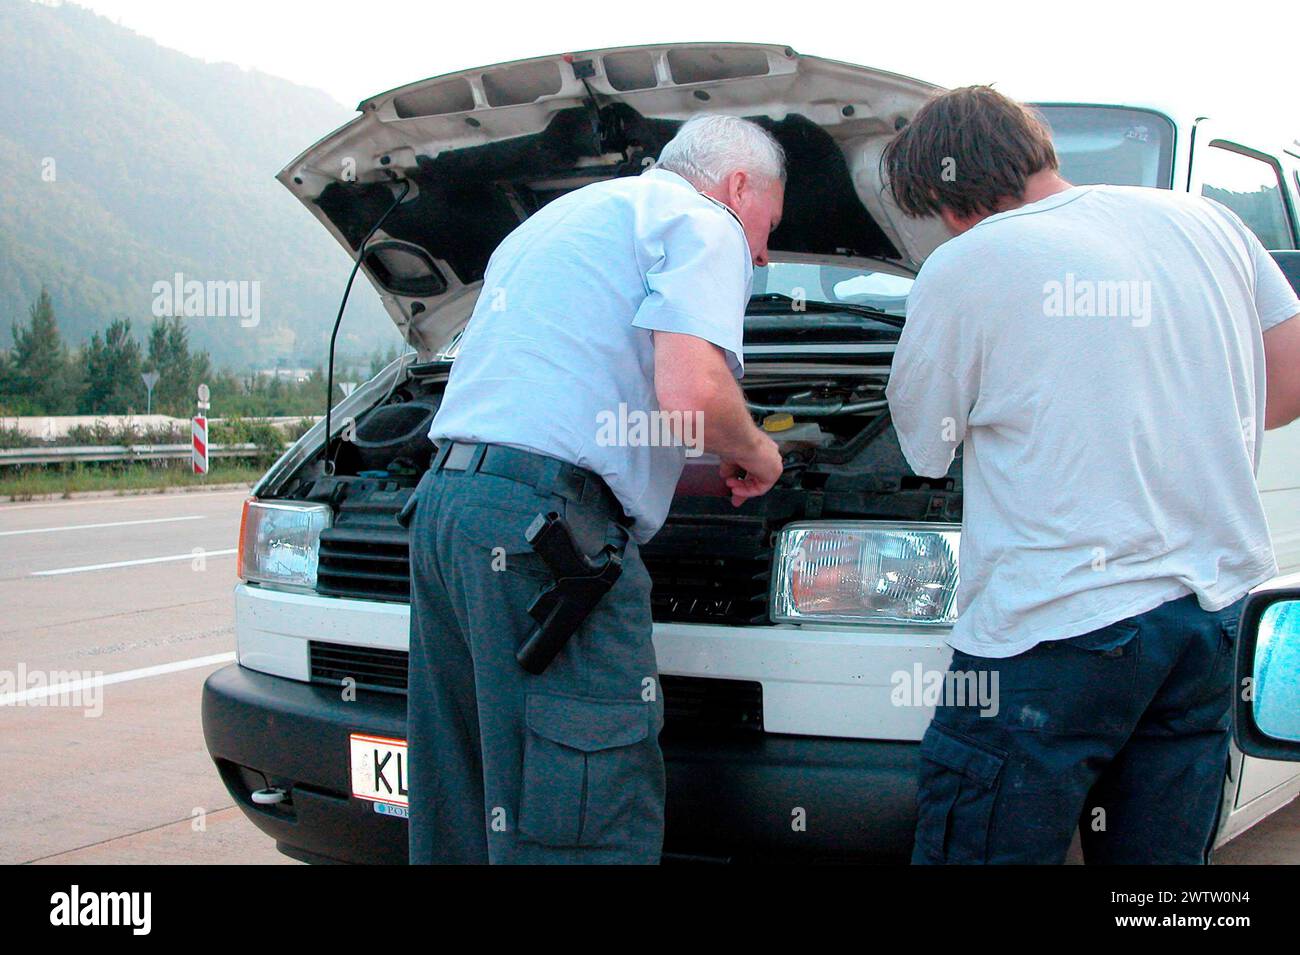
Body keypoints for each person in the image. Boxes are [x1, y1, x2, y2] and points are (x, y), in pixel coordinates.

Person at [881, 86, 1300, 864]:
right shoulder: (1211, 222)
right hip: (1208, 622)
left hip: (1052, 634)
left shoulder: (968, 262)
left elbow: (926, 447)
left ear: (947, 195)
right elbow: (1288, 387)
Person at [405, 114, 786, 864]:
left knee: (462, 798)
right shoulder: (703, 221)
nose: (764, 251)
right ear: (739, 187)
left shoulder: (560, 221)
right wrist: (760, 450)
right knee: (582, 806)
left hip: (447, 510)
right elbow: (690, 394)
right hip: (545, 537)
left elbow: (571, 395)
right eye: (768, 226)